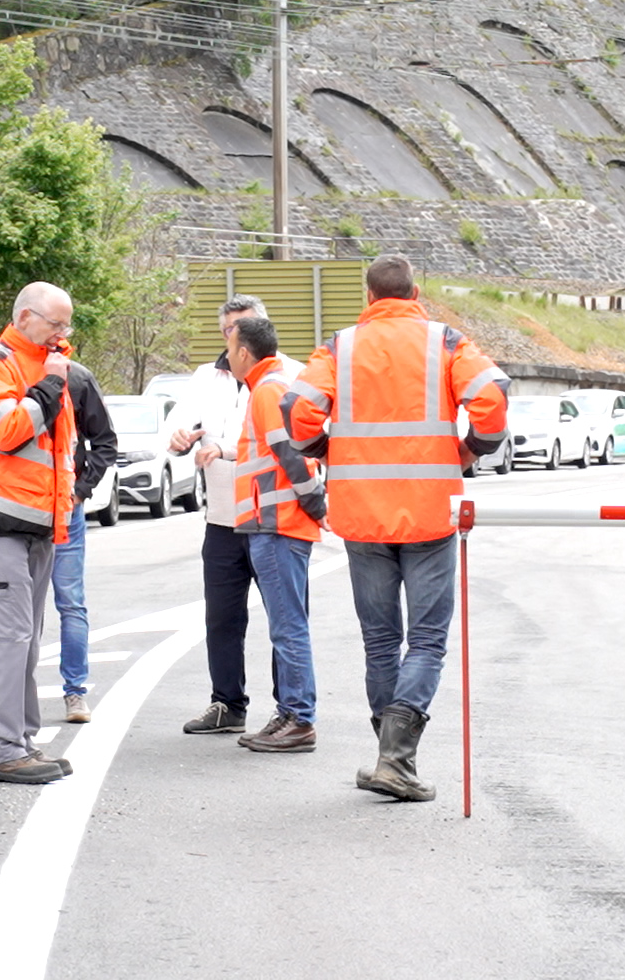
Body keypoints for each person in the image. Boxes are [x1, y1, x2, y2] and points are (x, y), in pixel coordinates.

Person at [285, 256, 509, 801]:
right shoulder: (444, 342)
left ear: (369, 296)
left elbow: (297, 411)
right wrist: (467, 451)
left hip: (362, 513)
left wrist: (327, 451)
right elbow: (492, 400)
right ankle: (396, 759)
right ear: (415, 293)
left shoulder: (341, 347)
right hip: (430, 510)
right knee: (427, 640)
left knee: (380, 641)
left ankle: (389, 759)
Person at [0, 282, 81, 785]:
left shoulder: (48, 365)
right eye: (56, 323)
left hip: (37, 524)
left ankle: (21, 742)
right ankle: (2, 749)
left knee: (25, 643)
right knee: (5, 641)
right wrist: (49, 387)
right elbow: (6, 432)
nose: (62, 332)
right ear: (26, 317)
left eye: (66, 324)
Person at [167, 295, 300, 736]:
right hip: (223, 516)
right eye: (227, 331)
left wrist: (224, 449)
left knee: (285, 619)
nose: (234, 340)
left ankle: (290, 710)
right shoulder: (207, 377)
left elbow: (288, 442)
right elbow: (174, 428)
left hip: (272, 518)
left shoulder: (291, 374)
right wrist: (179, 437)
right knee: (222, 618)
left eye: (241, 329)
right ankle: (227, 703)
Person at [228, 317, 327, 753]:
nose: (227, 356)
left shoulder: (267, 390)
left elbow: (292, 454)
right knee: (288, 625)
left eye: (230, 347)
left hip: (277, 524)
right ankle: (290, 714)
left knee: (288, 627)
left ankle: (299, 719)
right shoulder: (270, 387)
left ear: (244, 352)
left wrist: (315, 503)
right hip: (276, 522)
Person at [51, 336, 118, 725]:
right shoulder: (7, 372)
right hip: (22, 511)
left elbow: (105, 443)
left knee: (69, 603)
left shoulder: (76, 378)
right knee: (36, 608)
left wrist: (79, 490)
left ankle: (75, 691)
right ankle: (32, 695)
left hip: (63, 508)